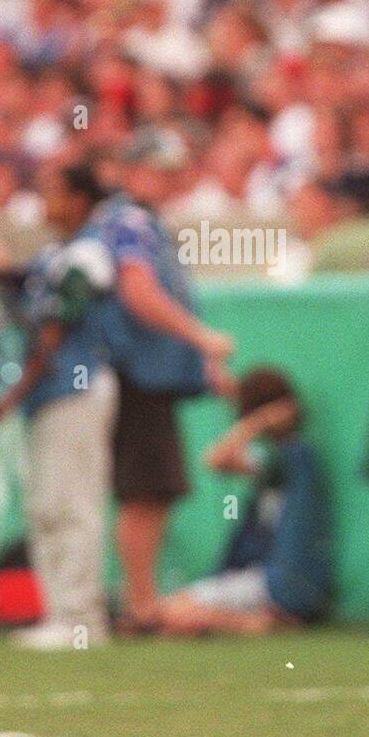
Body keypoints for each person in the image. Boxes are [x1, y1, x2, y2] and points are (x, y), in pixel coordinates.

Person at [96, 130, 236, 631]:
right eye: (159, 169)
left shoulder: (143, 223)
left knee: (151, 490)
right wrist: (200, 338)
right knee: (145, 490)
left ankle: (139, 599)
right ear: (131, 171)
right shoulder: (130, 223)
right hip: (138, 376)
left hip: (144, 375)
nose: (170, 180)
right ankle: (140, 603)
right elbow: (138, 292)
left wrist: (200, 359)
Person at [0, 162, 118, 651]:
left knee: (72, 503)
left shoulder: (88, 254)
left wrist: (11, 392)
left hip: (76, 388)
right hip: (51, 392)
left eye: (56, 191)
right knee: (46, 505)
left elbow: (55, 329)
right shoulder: (55, 254)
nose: (46, 201)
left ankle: (82, 619)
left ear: (81, 199)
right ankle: (61, 612)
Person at [159, 367, 330, 636]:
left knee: (172, 612)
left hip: (282, 583)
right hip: (264, 580)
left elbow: (216, 458)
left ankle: (254, 623)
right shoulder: (275, 461)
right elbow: (218, 460)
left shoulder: (294, 457)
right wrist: (260, 421)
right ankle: (256, 621)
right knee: (172, 614)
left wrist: (257, 421)